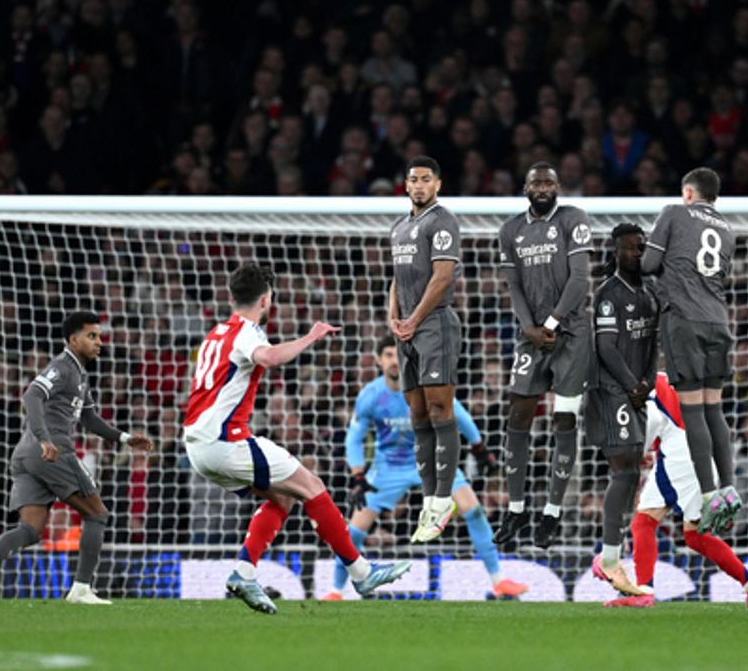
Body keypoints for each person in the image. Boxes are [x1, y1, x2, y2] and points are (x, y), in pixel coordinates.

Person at [182, 262, 410, 614]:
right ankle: (362, 572)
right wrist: (311, 336)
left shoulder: (216, 333)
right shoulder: (248, 331)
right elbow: (269, 356)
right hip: (225, 440)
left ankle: (244, 572)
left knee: (284, 497)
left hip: (197, 445)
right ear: (265, 299)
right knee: (312, 486)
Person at [0, 312, 154, 604]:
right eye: (92, 336)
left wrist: (124, 438)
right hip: (52, 450)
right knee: (97, 514)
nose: (99, 342)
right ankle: (81, 588)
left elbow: (89, 419)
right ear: (73, 340)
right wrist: (45, 438)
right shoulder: (62, 367)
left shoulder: (79, 374)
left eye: (99, 336)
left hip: (27, 455)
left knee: (30, 530)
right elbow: (31, 396)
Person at [323, 335, 528, 600]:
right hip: (388, 468)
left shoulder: (424, 388)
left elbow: (459, 414)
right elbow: (354, 438)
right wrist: (358, 474)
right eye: (388, 355)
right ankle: (336, 590)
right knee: (355, 530)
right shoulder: (370, 396)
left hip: (431, 459)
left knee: (473, 509)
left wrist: (479, 448)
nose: (394, 361)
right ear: (378, 360)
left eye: (397, 355)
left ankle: (498, 582)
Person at [602, 373, 748, 608]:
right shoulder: (672, 382)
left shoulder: (647, 384)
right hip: (703, 458)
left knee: (644, 522)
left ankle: (644, 591)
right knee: (695, 536)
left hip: (679, 456)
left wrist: (639, 451)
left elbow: (652, 420)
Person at [493, 162, 594, 548]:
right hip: (531, 337)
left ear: (558, 187)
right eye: (536, 182)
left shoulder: (573, 219)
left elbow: (580, 280)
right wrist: (528, 328)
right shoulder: (510, 230)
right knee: (518, 415)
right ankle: (517, 509)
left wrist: (550, 323)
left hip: (571, 334)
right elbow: (514, 285)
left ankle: (552, 513)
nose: (542, 188)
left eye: (549, 182)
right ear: (526, 188)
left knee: (564, 419)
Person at [640, 167, 741, 534]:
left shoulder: (673, 212)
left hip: (685, 321)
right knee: (714, 408)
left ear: (687, 193)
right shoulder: (727, 229)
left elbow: (649, 265)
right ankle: (728, 487)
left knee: (693, 410)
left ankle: (708, 494)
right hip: (718, 321)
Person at [388, 155, 464, 542]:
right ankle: (429, 500)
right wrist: (393, 316)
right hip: (407, 329)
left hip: (435, 324)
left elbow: (442, 277)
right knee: (417, 412)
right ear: (405, 185)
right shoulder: (399, 227)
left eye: (425, 179)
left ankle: (443, 501)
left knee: (439, 409)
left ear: (438, 184)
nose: (418, 185)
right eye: (413, 179)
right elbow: (397, 278)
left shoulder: (442, 221)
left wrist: (414, 318)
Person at [585, 223, 659, 597]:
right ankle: (610, 557)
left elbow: (653, 343)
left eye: (641, 247)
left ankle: (612, 554)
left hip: (637, 392)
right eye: (630, 248)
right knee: (624, 469)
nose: (637, 253)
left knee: (631, 472)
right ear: (616, 252)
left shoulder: (650, 292)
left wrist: (647, 384)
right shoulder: (608, 294)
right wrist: (632, 386)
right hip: (611, 391)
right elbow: (607, 347)